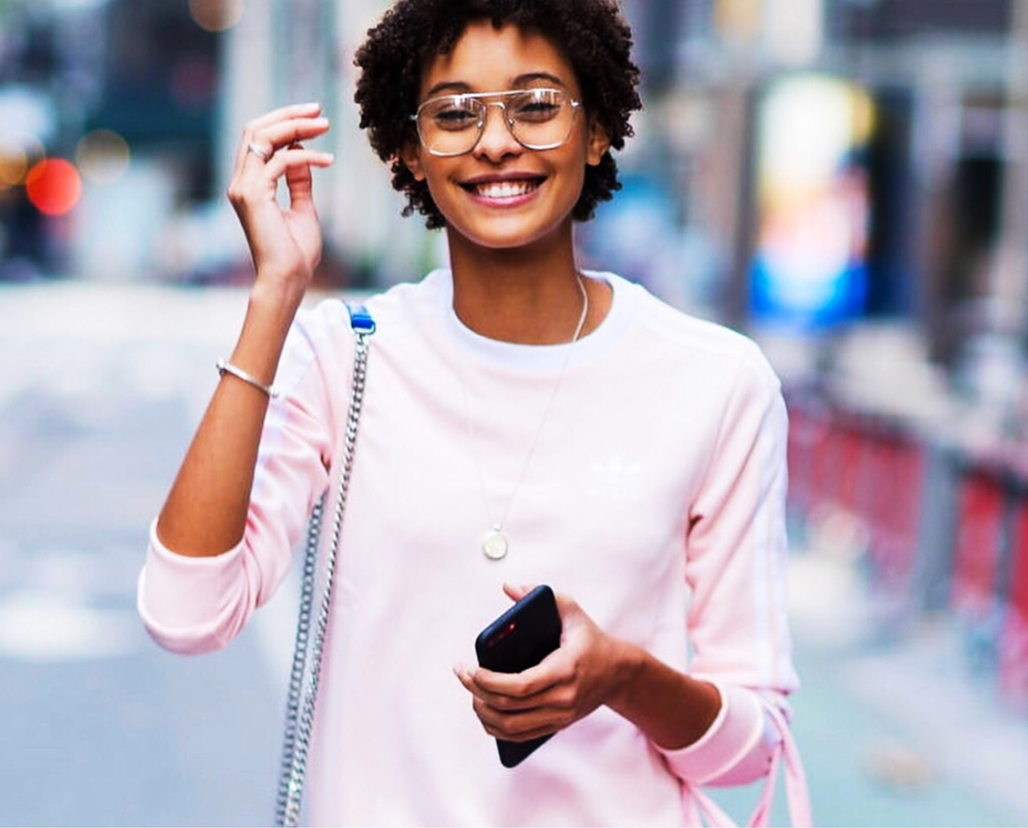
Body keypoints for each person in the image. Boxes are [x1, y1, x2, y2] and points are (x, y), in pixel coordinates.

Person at [137, 0, 809, 824]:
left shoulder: (716, 382)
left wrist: (623, 678)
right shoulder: (344, 357)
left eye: (535, 105)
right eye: (454, 113)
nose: (496, 141)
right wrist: (276, 292)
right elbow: (184, 613)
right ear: (409, 153)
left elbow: (752, 754)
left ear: (596, 131)